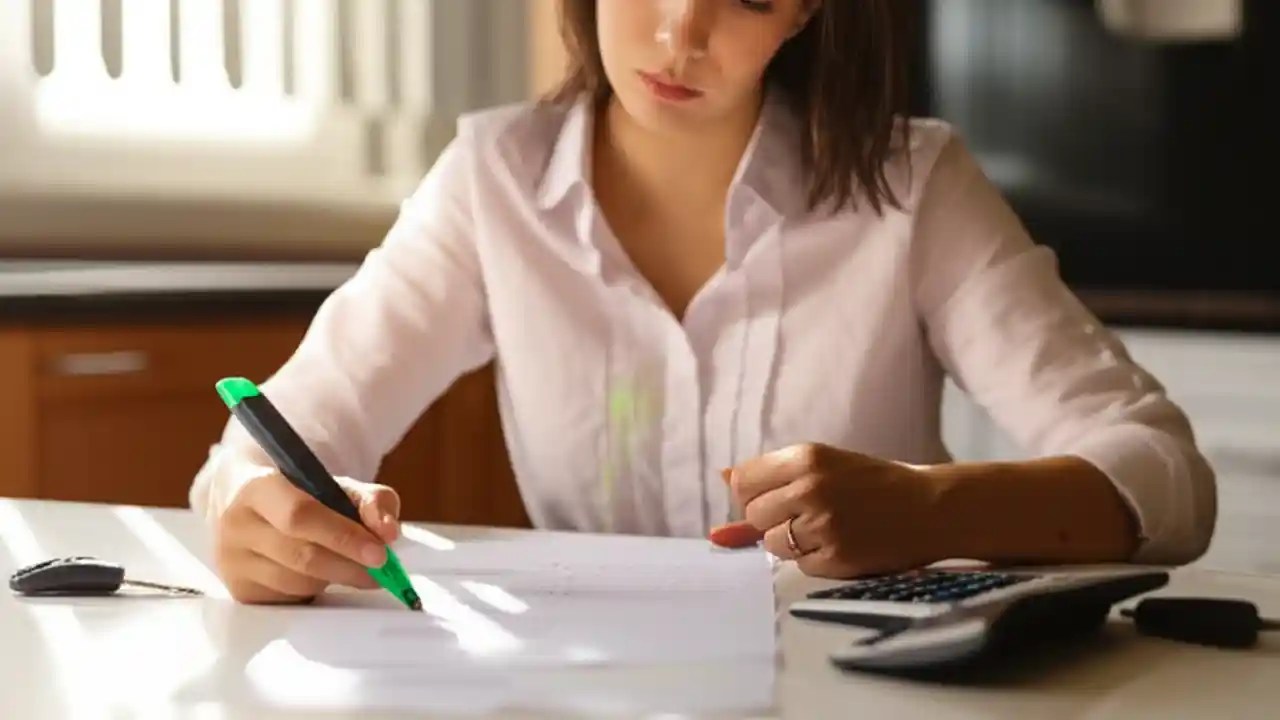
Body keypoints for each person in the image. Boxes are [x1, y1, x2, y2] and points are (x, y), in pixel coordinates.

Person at [190, 0, 1216, 605]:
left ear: (808, 9)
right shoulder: (490, 181)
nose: (679, 33)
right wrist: (258, 518)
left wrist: (923, 508)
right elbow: (265, 446)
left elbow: (1163, 476)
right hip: (590, 695)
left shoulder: (913, 185)